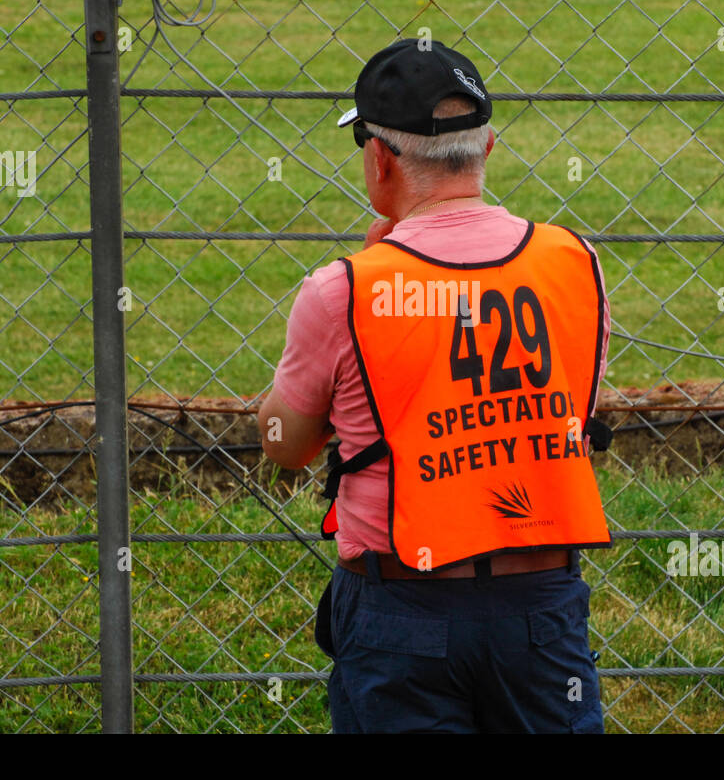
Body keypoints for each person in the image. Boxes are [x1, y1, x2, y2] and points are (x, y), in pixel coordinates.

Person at [258, 39, 614, 733]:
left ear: (380, 159)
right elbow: (570, 410)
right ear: (487, 150)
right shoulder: (573, 260)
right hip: (542, 609)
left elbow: (285, 444)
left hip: (402, 615)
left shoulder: (345, 291)